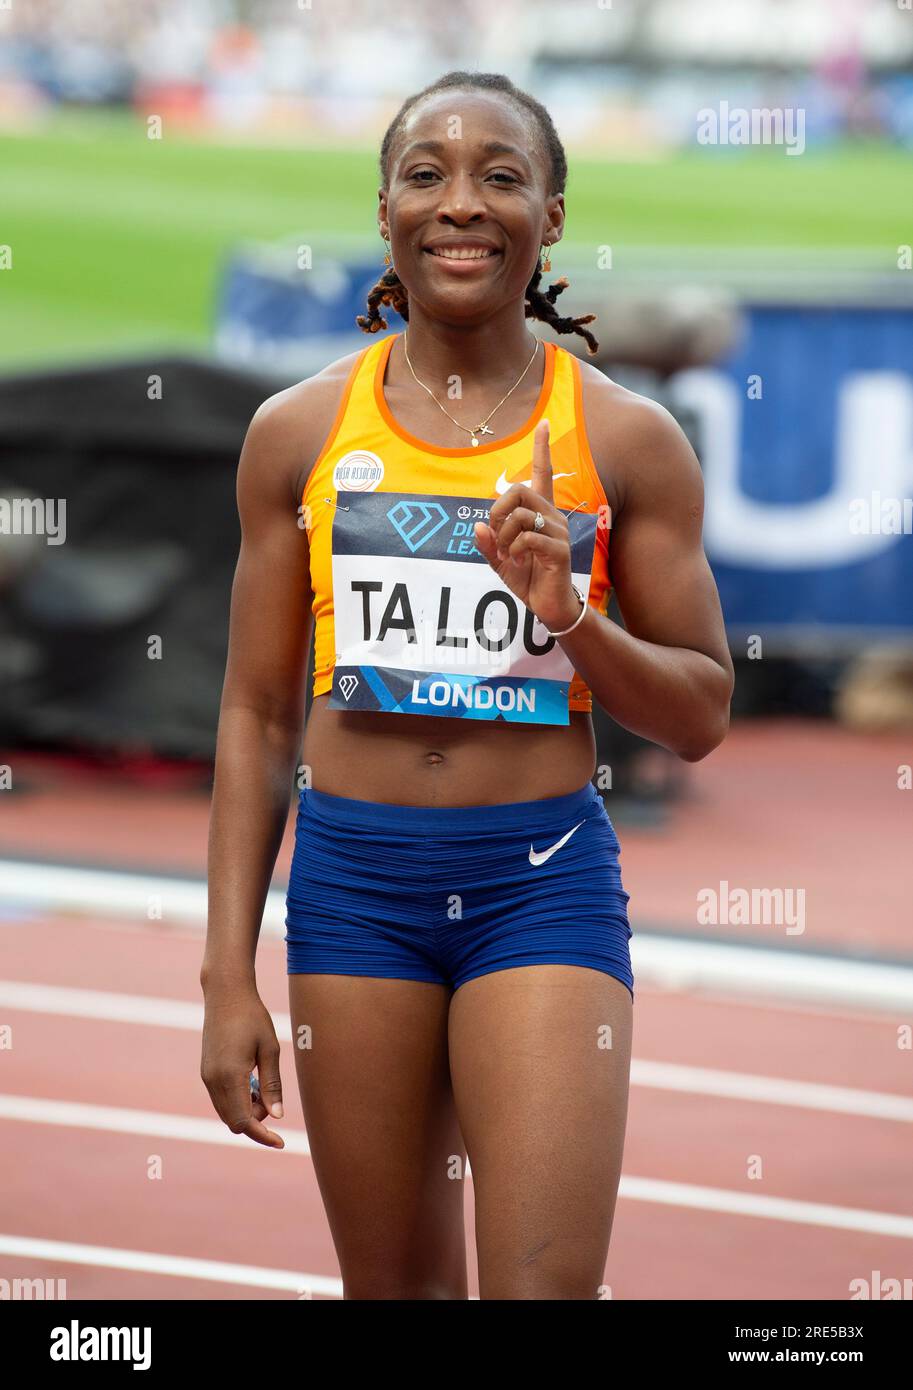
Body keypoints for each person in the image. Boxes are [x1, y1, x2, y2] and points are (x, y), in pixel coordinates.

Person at [200, 70, 733, 1301]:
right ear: (384, 205)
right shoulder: (297, 431)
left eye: (501, 175)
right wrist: (226, 976)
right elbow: (257, 710)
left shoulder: (624, 438)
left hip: (535, 884)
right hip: (351, 888)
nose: (462, 203)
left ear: (550, 216)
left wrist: (572, 615)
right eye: (427, 173)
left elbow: (701, 713)